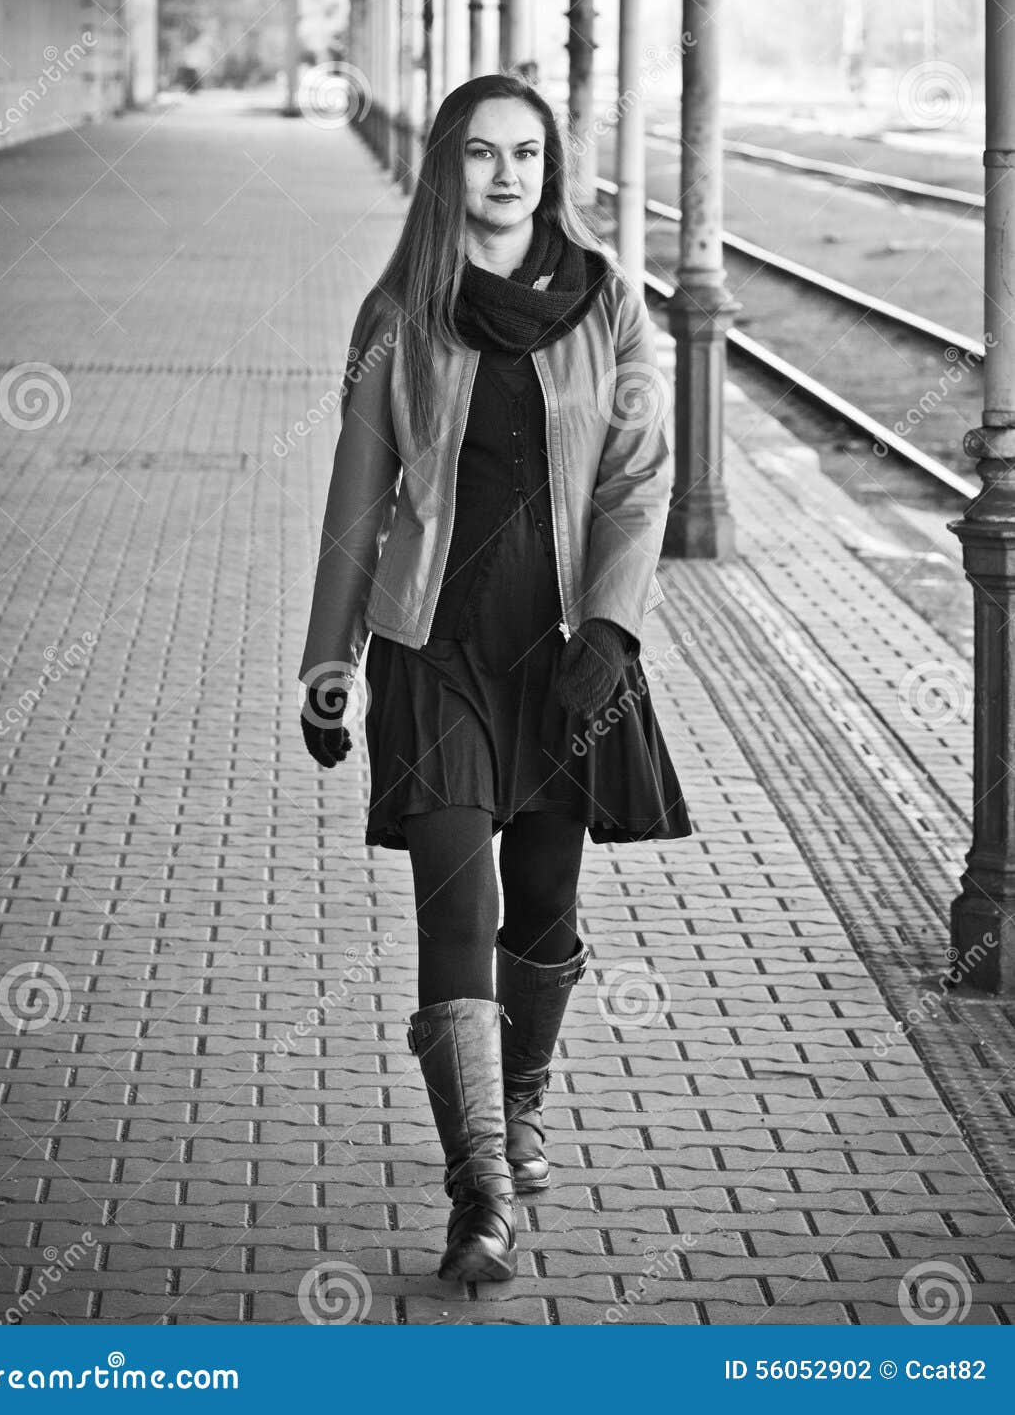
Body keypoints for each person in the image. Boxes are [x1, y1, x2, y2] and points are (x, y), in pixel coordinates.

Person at [298, 73, 692, 1286]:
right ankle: (478, 1195)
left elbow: (638, 475)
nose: (506, 174)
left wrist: (615, 631)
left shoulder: (606, 303)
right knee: (456, 918)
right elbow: (358, 503)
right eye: (480, 153)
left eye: (526, 152)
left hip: (565, 655)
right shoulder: (398, 311)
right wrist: (330, 662)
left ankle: (519, 1109)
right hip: (436, 656)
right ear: (446, 171)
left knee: (546, 916)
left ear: (551, 167)